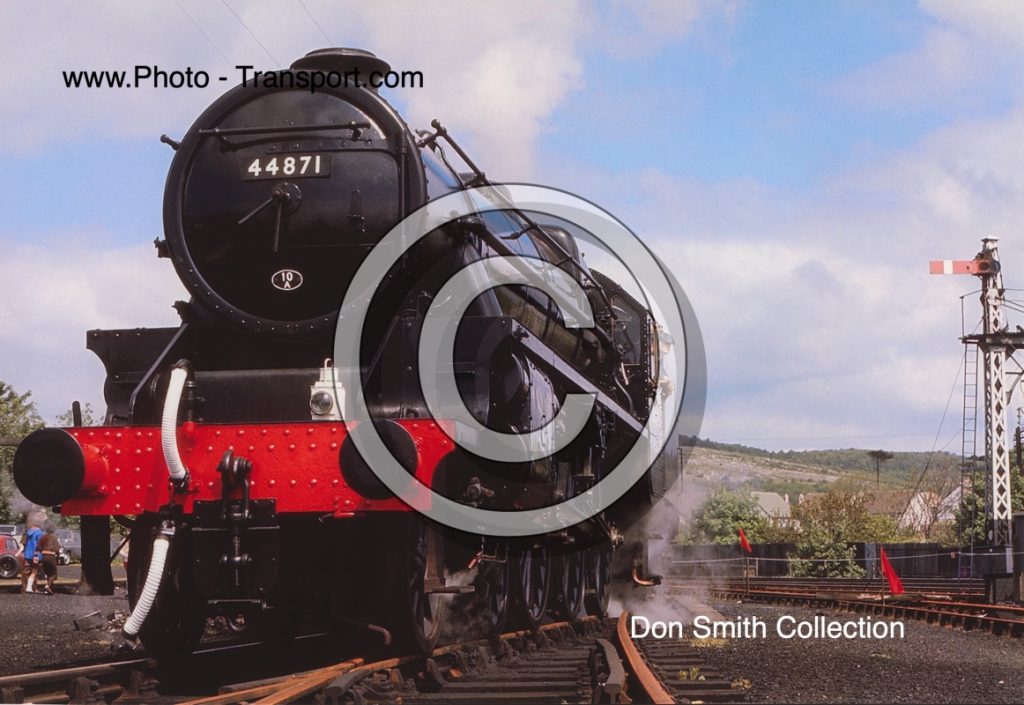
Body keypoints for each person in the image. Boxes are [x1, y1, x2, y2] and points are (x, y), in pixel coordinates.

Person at [37, 523, 61, 595]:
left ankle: (47, 589)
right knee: (54, 574)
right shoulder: (54, 538)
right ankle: (47, 586)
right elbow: (57, 549)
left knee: (48, 573)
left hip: (43, 556)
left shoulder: (42, 537)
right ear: (53, 530)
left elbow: (38, 547)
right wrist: (58, 556)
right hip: (51, 556)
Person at [20, 523, 43, 594]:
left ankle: (25, 587)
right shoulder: (40, 533)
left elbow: (23, 544)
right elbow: (39, 545)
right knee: (35, 572)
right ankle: (32, 588)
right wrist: (37, 555)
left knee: (26, 571)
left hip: (27, 554)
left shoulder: (27, 533)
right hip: (36, 554)